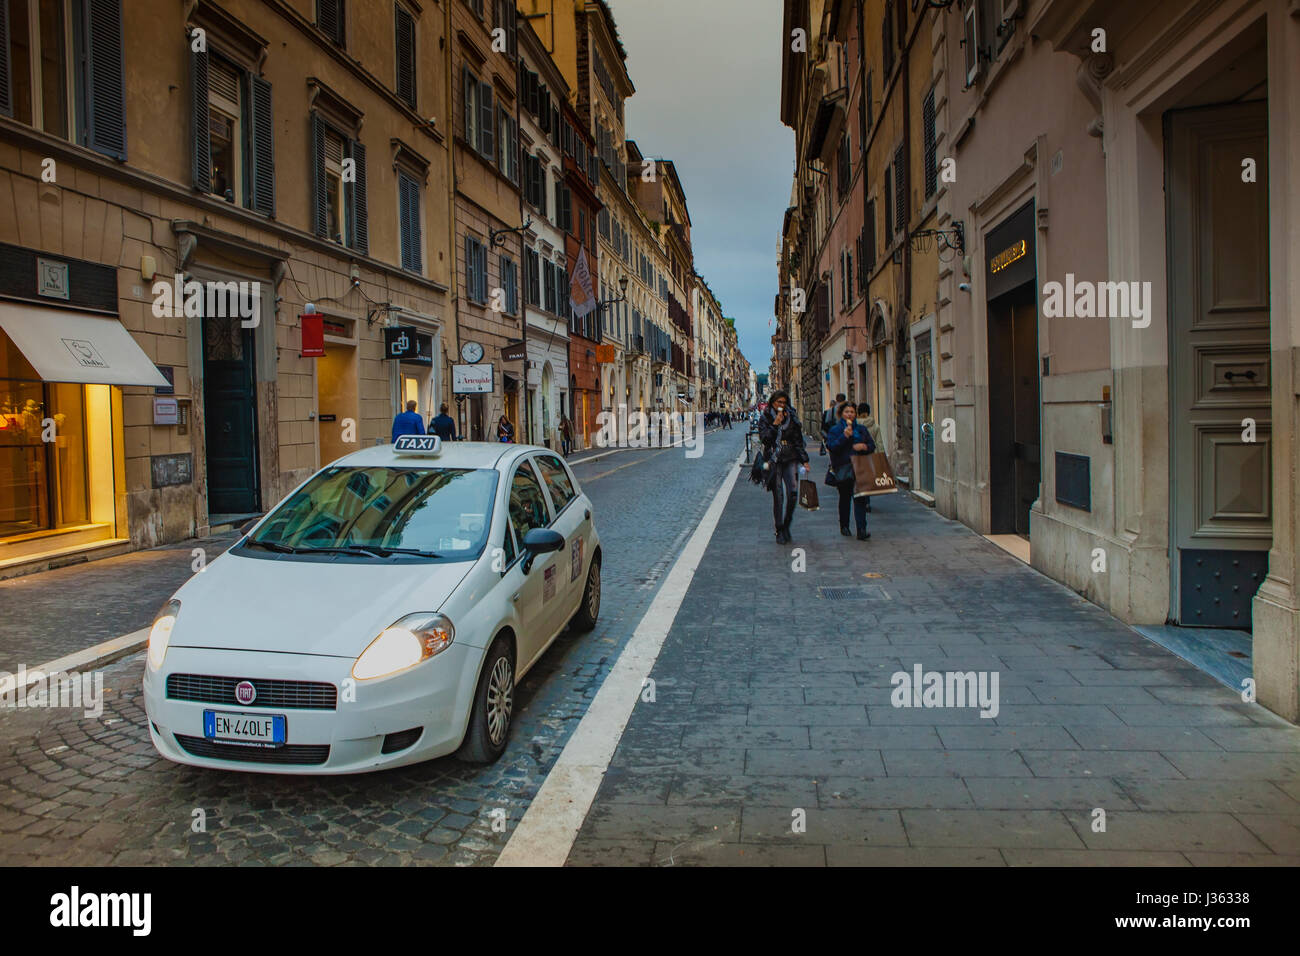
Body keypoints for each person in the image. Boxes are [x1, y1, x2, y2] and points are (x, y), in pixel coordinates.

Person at [757, 390, 809, 544]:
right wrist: (775, 424)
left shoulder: (791, 417)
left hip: (790, 456)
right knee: (778, 495)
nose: (781, 405)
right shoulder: (765, 417)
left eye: (784, 403)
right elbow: (765, 439)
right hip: (774, 459)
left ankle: (786, 524)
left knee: (793, 492)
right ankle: (779, 529)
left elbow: (798, 440)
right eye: (779, 402)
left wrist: (805, 459)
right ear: (773, 403)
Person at [826, 401, 875, 540]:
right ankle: (844, 526)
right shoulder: (835, 430)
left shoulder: (861, 429)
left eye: (852, 412)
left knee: (860, 498)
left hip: (860, 467)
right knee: (845, 498)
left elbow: (872, 445)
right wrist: (844, 437)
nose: (850, 414)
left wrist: (864, 447)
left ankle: (861, 529)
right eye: (847, 412)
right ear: (841, 414)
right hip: (844, 468)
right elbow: (832, 446)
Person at [856, 402, 884, 513]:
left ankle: (859, 500)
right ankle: (867, 502)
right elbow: (879, 443)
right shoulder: (875, 426)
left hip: (858, 457)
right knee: (867, 480)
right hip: (870, 456)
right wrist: (881, 458)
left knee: (859, 480)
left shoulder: (855, 425)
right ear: (868, 412)